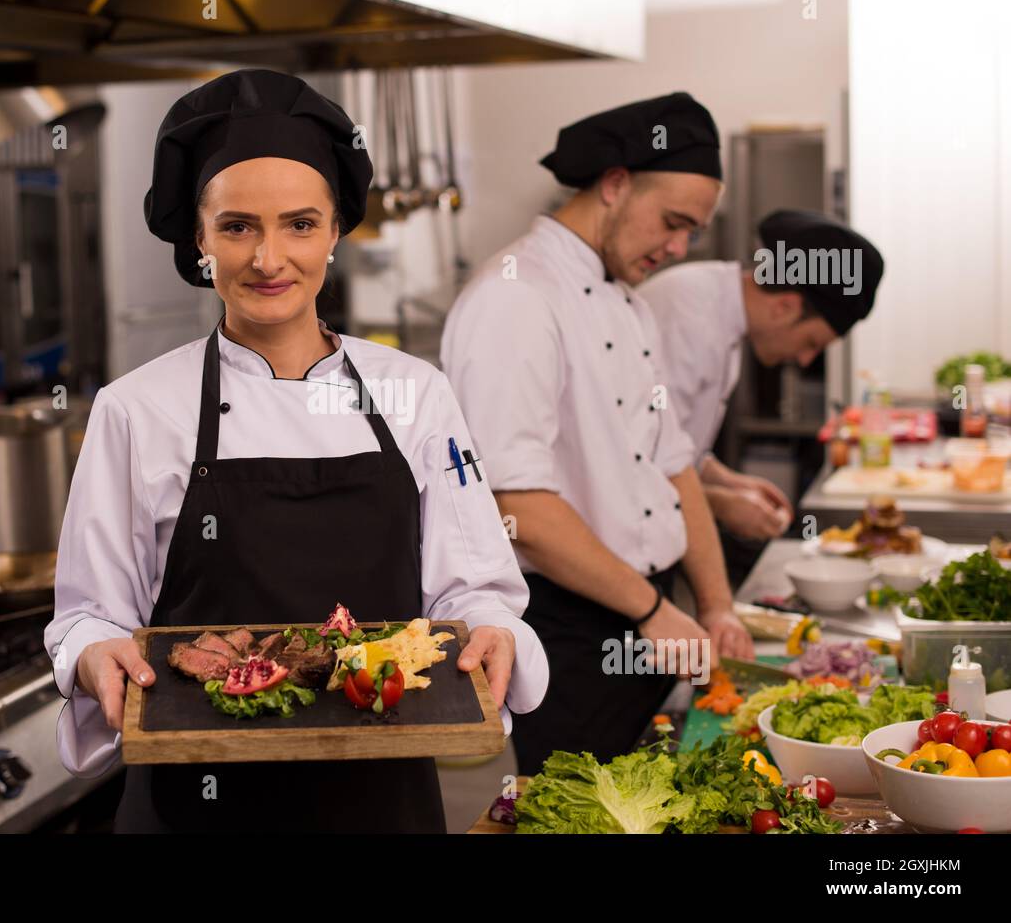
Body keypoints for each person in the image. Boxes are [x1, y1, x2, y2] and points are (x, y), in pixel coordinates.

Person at [43, 69, 547, 833]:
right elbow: (89, 612)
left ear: (336, 231)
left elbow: (472, 588)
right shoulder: (135, 409)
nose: (268, 258)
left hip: (379, 796)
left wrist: (489, 628)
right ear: (199, 239)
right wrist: (92, 652)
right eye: (238, 226)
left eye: (300, 224)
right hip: (193, 804)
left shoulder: (415, 392)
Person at [440, 93, 754, 773]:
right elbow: (513, 501)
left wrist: (716, 603)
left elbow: (675, 467)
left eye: (694, 232)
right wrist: (651, 610)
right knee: (577, 807)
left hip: (645, 614)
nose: (680, 248)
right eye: (674, 223)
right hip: (570, 624)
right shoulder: (514, 297)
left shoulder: (630, 304)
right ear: (614, 183)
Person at [640, 209, 884, 541]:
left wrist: (729, 481)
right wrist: (721, 504)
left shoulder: (720, 309)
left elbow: (675, 444)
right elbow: (637, 463)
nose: (804, 357)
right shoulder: (687, 321)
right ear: (785, 306)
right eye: (812, 343)